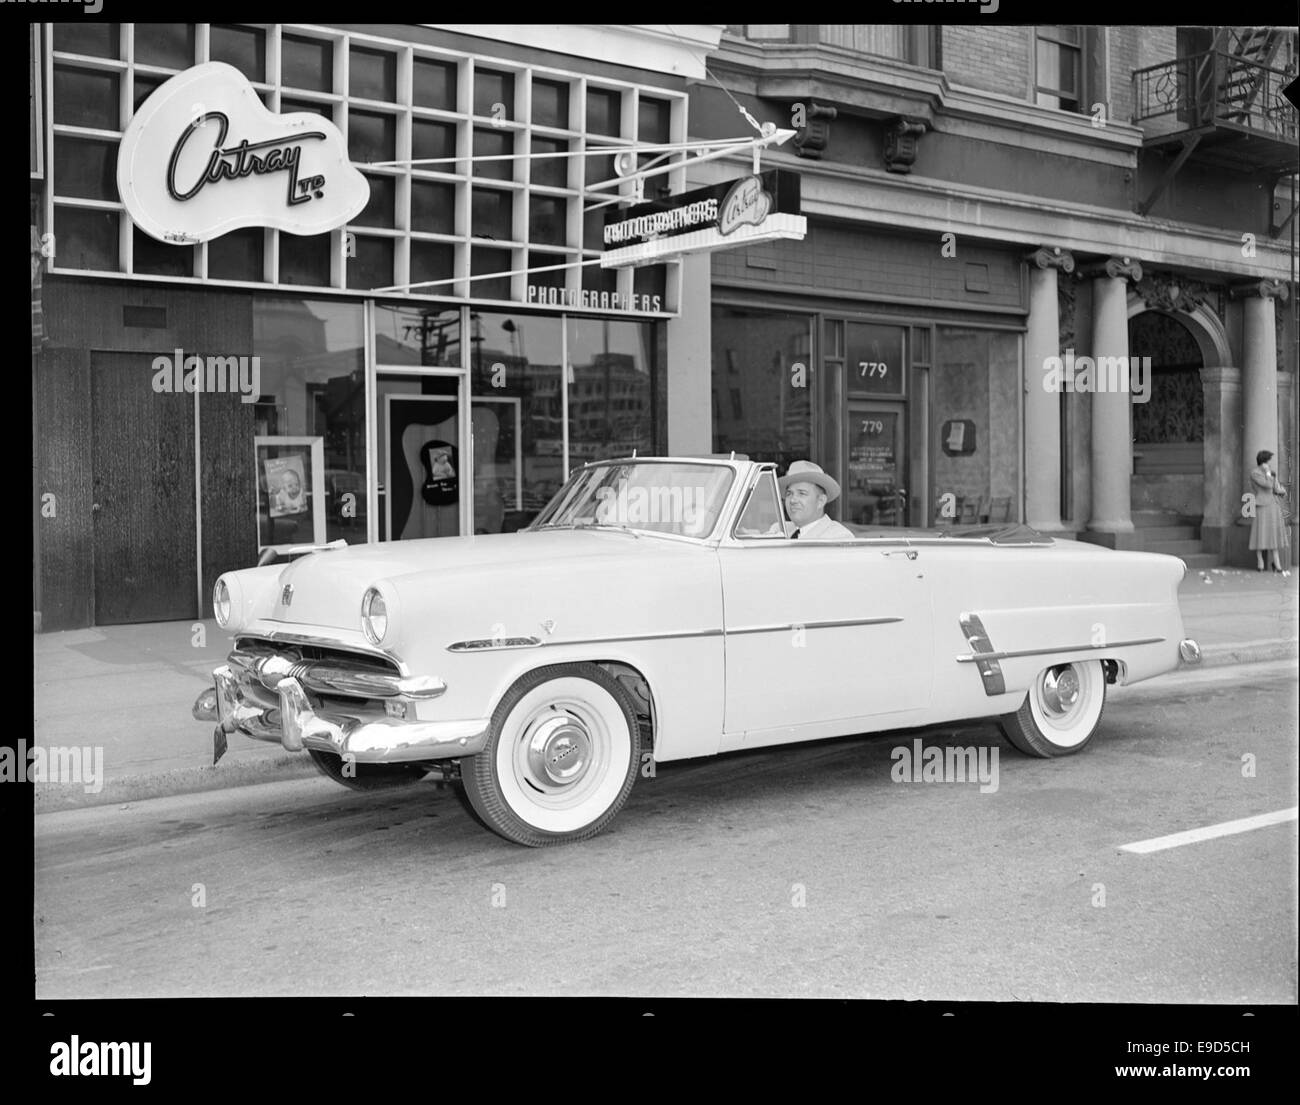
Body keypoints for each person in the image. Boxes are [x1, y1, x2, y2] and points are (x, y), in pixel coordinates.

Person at [778, 460, 854, 540]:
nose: (793, 500)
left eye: (802, 493)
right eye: (789, 494)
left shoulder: (838, 537)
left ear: (821, 501)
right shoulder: (779, 530)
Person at [1249, 449, 1290, 575]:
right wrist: (1268, 474)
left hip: (1273, 506)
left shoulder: (1270, 473)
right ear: (1262, 462)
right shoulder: (1255, 473)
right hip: (1261, 505)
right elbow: (1266, 485)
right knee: (1260, 534)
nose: (1269, 464)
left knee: (1273, 535)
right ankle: (1260, 562)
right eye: (1267, 461)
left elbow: (1275, 487)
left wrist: (1281, 491)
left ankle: (1277, 564)